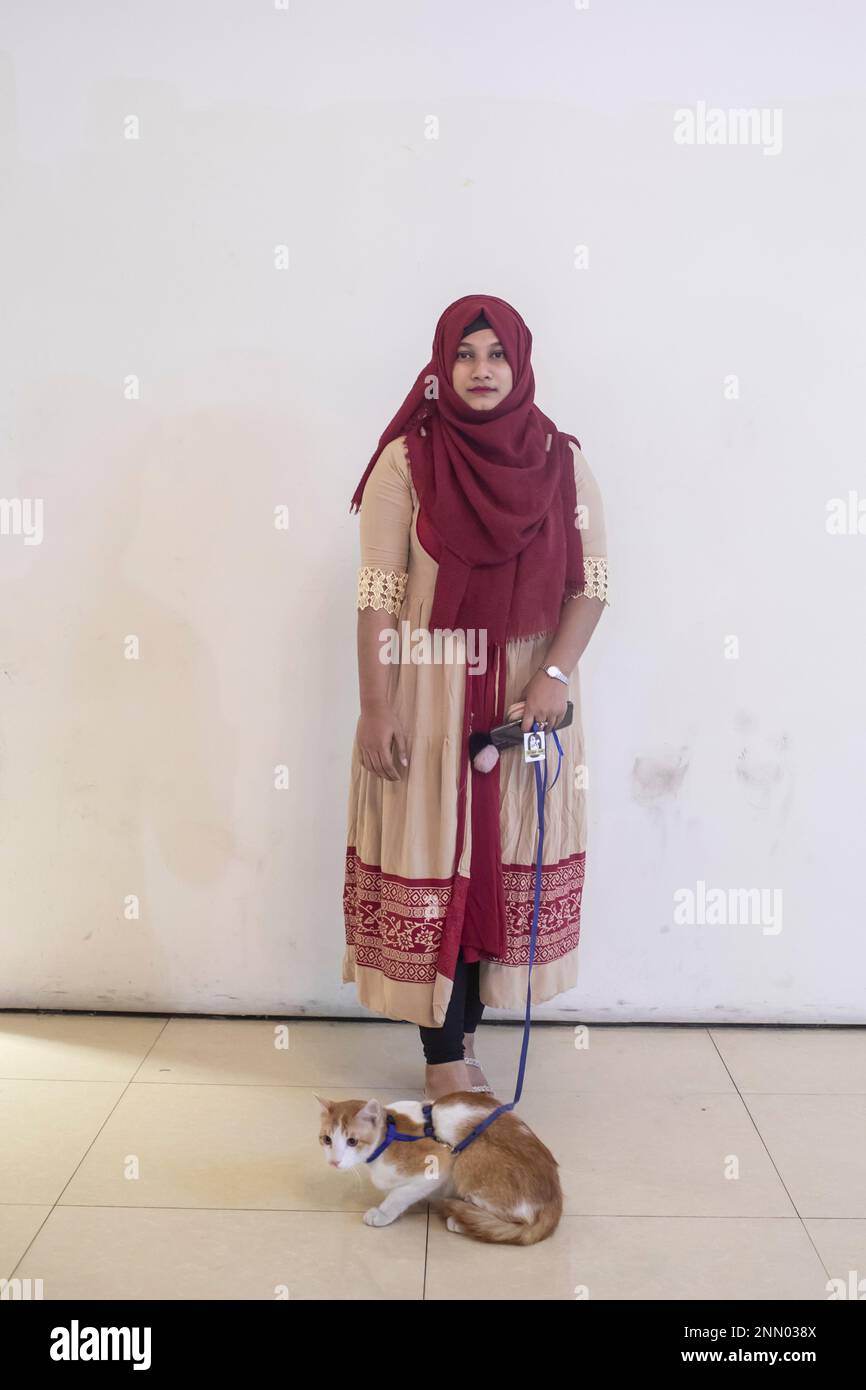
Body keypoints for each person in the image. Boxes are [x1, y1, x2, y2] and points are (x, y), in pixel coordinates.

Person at [343, 294, 609, 1101]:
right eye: (466, 355)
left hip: (527, 700)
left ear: (519, 362)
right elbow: (379, 592)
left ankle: (468, 1033)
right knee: (440, 855)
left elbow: (590, 585)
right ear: (442, 365)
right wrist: (377, 705)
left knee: (503, 857)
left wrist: (553, 677)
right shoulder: (407, 460)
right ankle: (444, 1053)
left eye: (496, 354)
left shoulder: (561, 460)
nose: (482, 370)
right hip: (428, 689)